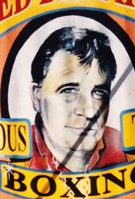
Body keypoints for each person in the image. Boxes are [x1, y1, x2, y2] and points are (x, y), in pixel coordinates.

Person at [29, 26, 127, 172]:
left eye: (99, 93)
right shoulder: (14, 156)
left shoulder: (125, 151)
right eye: (68, 91)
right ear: (36, 97)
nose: (89, 111)